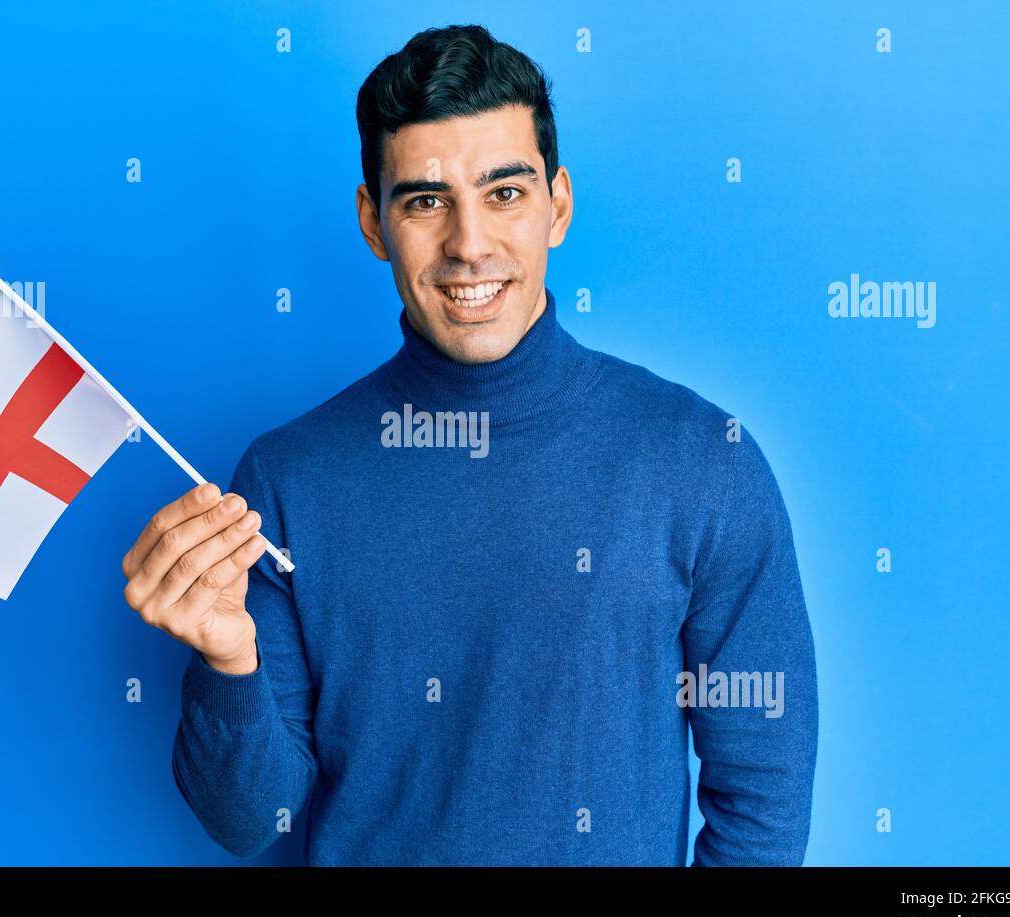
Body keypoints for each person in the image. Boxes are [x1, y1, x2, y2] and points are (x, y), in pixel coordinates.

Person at [121, 23, 818, 865]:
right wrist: (227, 663)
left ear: (557, 206)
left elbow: (764, 801)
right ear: (374, 224)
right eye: (424, 200)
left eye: (504, 193)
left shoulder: (704, 462)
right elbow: (250, 822)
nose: (468, 244)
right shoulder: (284, 479)